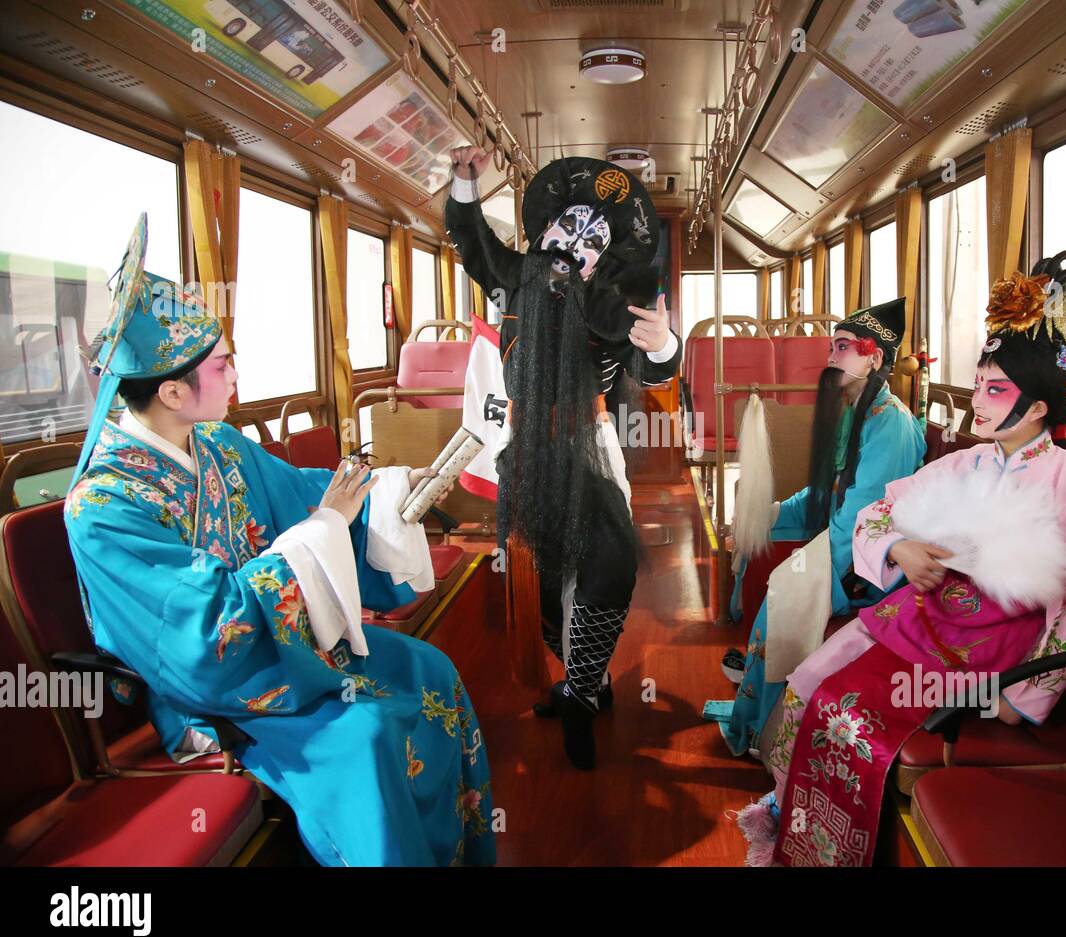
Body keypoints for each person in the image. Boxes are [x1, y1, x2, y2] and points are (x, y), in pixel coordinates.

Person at [65, 214, 494, 866]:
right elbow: (205, 633)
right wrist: (325, 527)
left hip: (292, 649)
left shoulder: (217, 445)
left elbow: (303, 492)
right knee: (370, 735)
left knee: (430, 671)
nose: (236, 375)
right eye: (222, 365)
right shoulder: (101, 509)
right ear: (175, 391)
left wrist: (386, 492)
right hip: (218, 690)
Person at [740, 249, 1066, 867]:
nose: (978, 399)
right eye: (978, 385)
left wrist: (1020, 701)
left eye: (995, 390)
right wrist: (900, 546)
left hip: (992, 646)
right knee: (808, 684)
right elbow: (878, 513)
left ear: (1043, 406)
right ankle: (789, 820)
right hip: (925, 616)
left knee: (847, 717)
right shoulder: (967, 461)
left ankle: (834, 849)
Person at [443, 146, 679, 769]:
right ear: (544, 228)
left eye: (592, 238)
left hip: (589, 445)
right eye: (566, 226)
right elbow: (468, 238)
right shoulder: (511, 277)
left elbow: (649, 358)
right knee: (542, 587)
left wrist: (663, 344)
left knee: (610, 563)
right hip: (525, 451)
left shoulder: (610, 306)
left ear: (605, 256)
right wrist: (467, 184)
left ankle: (578, 693)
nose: (574, 243)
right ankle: (583, 678)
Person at [719, 300, 926, 760]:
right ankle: (758, 717)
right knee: (782, 581)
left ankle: (768, 732)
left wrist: (806, 568)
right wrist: (766, 517)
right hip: (847, 547)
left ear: (874, 359)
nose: (831, 356)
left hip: (874, 567)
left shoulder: (889, 423)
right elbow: (825, 495)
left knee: (785, 590)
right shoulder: (854, 414)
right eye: (831, 346)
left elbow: (860, 519)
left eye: (844, 347)